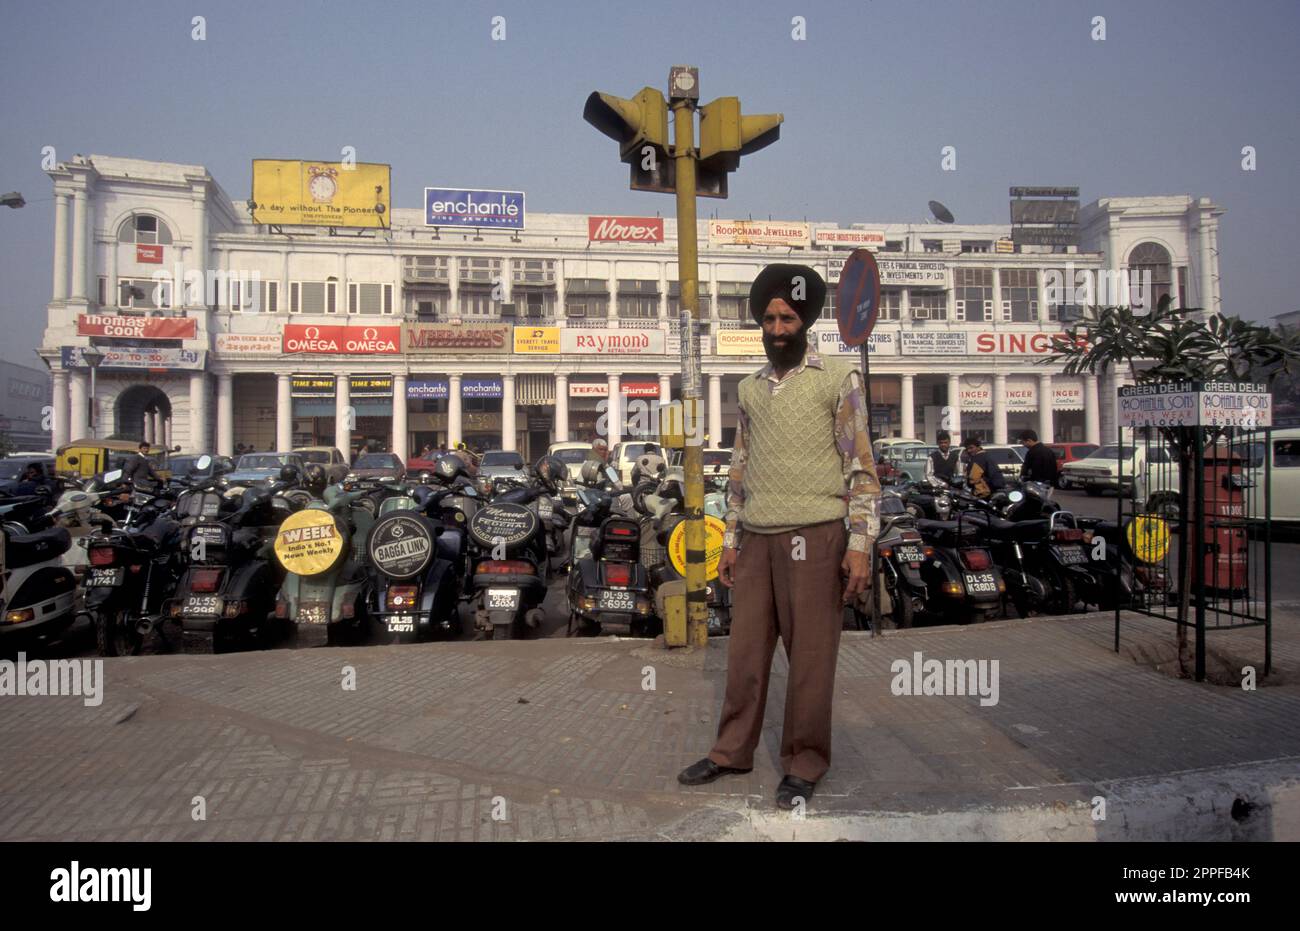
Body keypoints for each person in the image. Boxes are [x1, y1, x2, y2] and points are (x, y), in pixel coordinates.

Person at [676, 263, 881, 810]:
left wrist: (859, 545)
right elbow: (739, 470)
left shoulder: (838, 379)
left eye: (787, 316)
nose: (776, 327)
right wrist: (731, 542)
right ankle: (730, 752)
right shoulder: (748, 388)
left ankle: (804, 762)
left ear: (806, 320)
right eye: (768, 318)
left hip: (816, 536)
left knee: (810, 659)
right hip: (759, 540)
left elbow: (862, 469)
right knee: (743, 656)